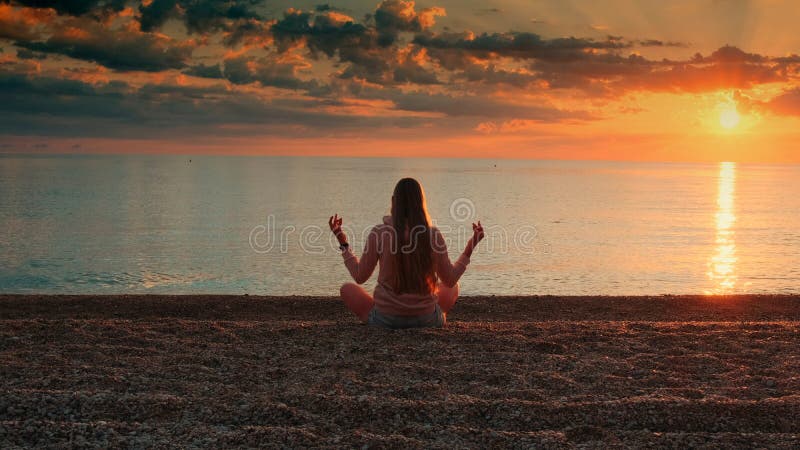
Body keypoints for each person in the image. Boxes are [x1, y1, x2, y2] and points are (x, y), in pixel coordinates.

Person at [328, 177, 484, 329]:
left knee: (347, 289)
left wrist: (343, 242)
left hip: (386, 320)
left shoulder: (379, 233)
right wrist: (471, 245)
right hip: (426, 319)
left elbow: (359, 276)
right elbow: (449, 280)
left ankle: (386, 310)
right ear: (421, 203)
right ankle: (434, 315)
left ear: (393, 201)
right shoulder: (432, 235)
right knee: (453, 287)